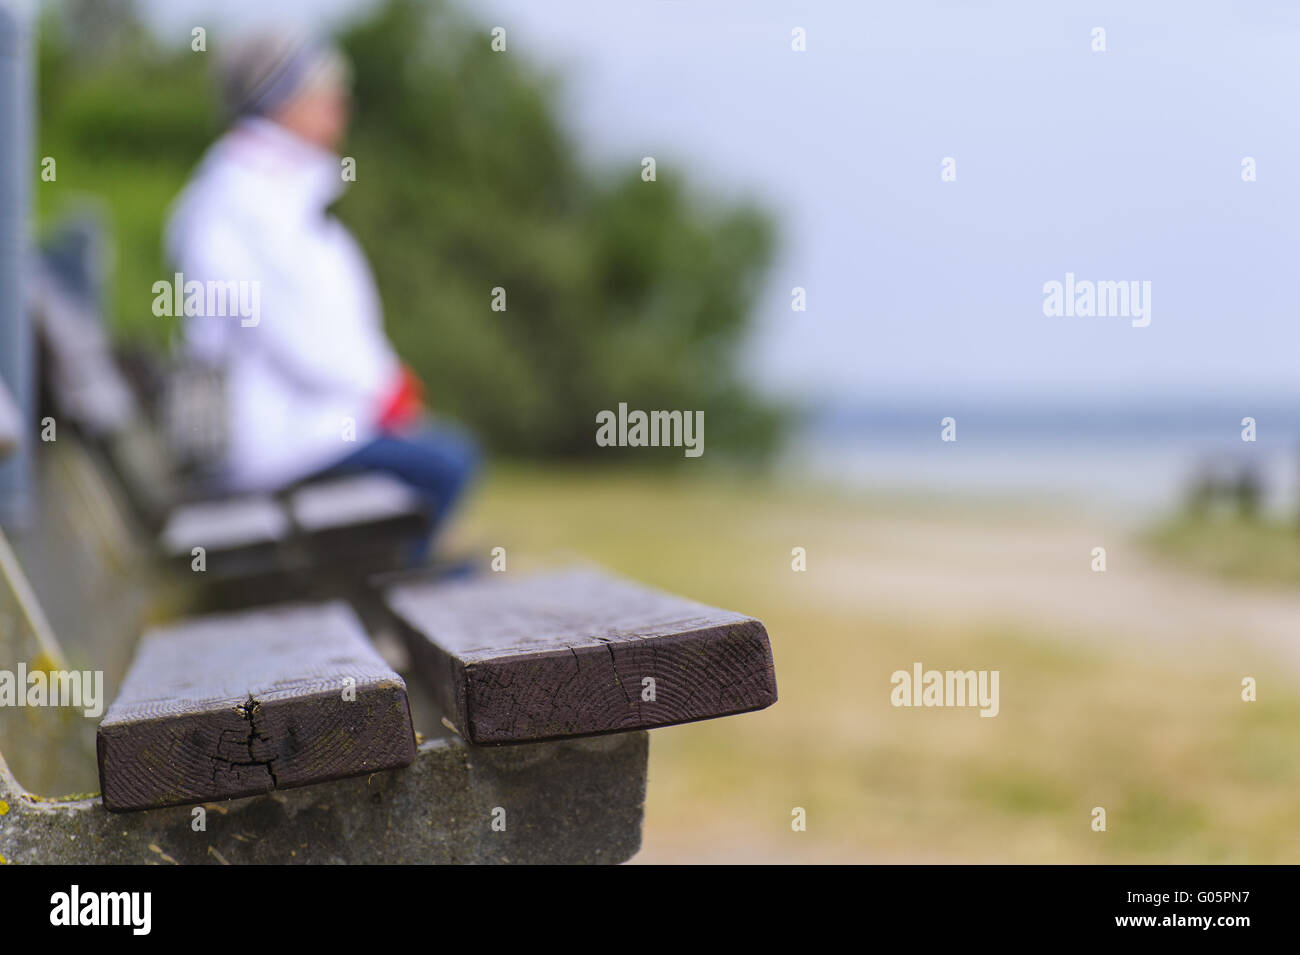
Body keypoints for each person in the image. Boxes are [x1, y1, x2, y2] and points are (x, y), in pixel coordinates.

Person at [165, 30, 477, 561]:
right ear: (280, 99)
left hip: (300, 433)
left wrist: (384, 389)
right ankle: (392, 590)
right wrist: (384, 391)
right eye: (324, 88)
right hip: (276, 445)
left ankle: (401, 587)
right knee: (448, 463)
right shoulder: (243, 198)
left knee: (442, 463)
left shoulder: (267, 190)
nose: (340, 103)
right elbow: (293, 335)